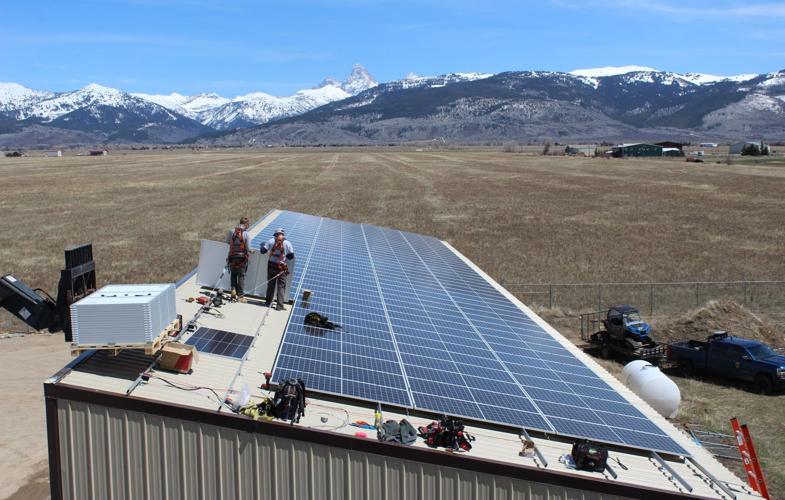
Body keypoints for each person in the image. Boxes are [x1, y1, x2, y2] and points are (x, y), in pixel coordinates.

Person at [260, 227, 295, 310]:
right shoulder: (287, 243)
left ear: (275, 234)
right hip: (281, 268)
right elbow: (291, 256)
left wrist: (262, 245)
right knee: (281, 286)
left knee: (271, 285)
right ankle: (279, 306)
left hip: (271, 266)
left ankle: (268, 302)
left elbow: (263, 251)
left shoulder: (271, 241)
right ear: (283, 235)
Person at [225, 217, 254, 301]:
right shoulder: (246, 234)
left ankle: (233, 292)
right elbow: (248, 248)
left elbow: (227, 242)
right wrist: (252, 251)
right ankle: (240, 296)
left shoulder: (231, 231)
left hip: (232, 257)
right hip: (242, 259)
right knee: (241, 276)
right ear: (246, 224)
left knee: (233, 274)